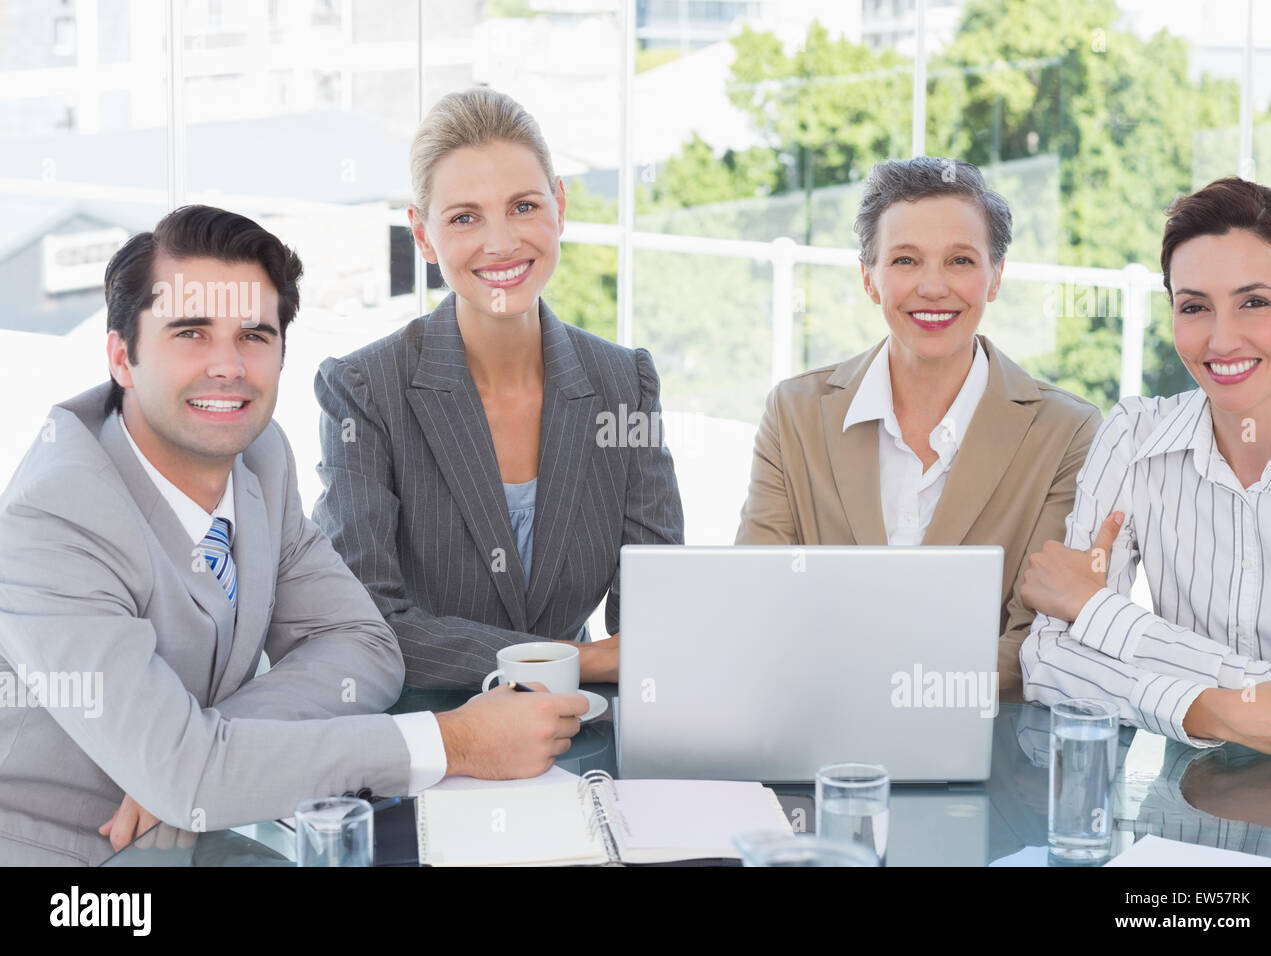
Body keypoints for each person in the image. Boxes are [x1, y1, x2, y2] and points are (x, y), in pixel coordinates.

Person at [0, 205, 587, 866]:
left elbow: (364, 646)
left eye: (253, 334)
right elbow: (191, 778)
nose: (228, 367)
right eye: (191, 332)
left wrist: (201, 755)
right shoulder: (52, 519)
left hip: (211, 834)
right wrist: (452, 741)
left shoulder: (259, 455)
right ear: (122, 358)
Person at [312, 88, 684, 689]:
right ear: (424, 235)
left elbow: (657, 612)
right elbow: (366, 623)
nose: (502, 242)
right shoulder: (365, 391)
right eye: (465, 217)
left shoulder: (624, 385)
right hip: (432, 733)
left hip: (580, 730)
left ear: (559, 206)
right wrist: (574, 660)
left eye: (523, 206)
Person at [735, 157, 1101, 694]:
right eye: (905, 260)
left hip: (982, 741)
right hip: (814, 728)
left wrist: (888, 686)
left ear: (995, 277)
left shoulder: (1066, 431)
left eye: (959, 260)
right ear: (870, 279)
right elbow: (757, 599)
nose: (933, 287)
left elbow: (1037, 638)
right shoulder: (793, 414)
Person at [1020, 177, 1271, 754]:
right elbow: (1047, 661)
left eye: (1254, 302)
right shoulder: (1133, 436)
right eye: (1194, 307)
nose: (1221, 340)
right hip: (1184, 809)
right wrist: (1215, 712)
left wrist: (1095, 610)